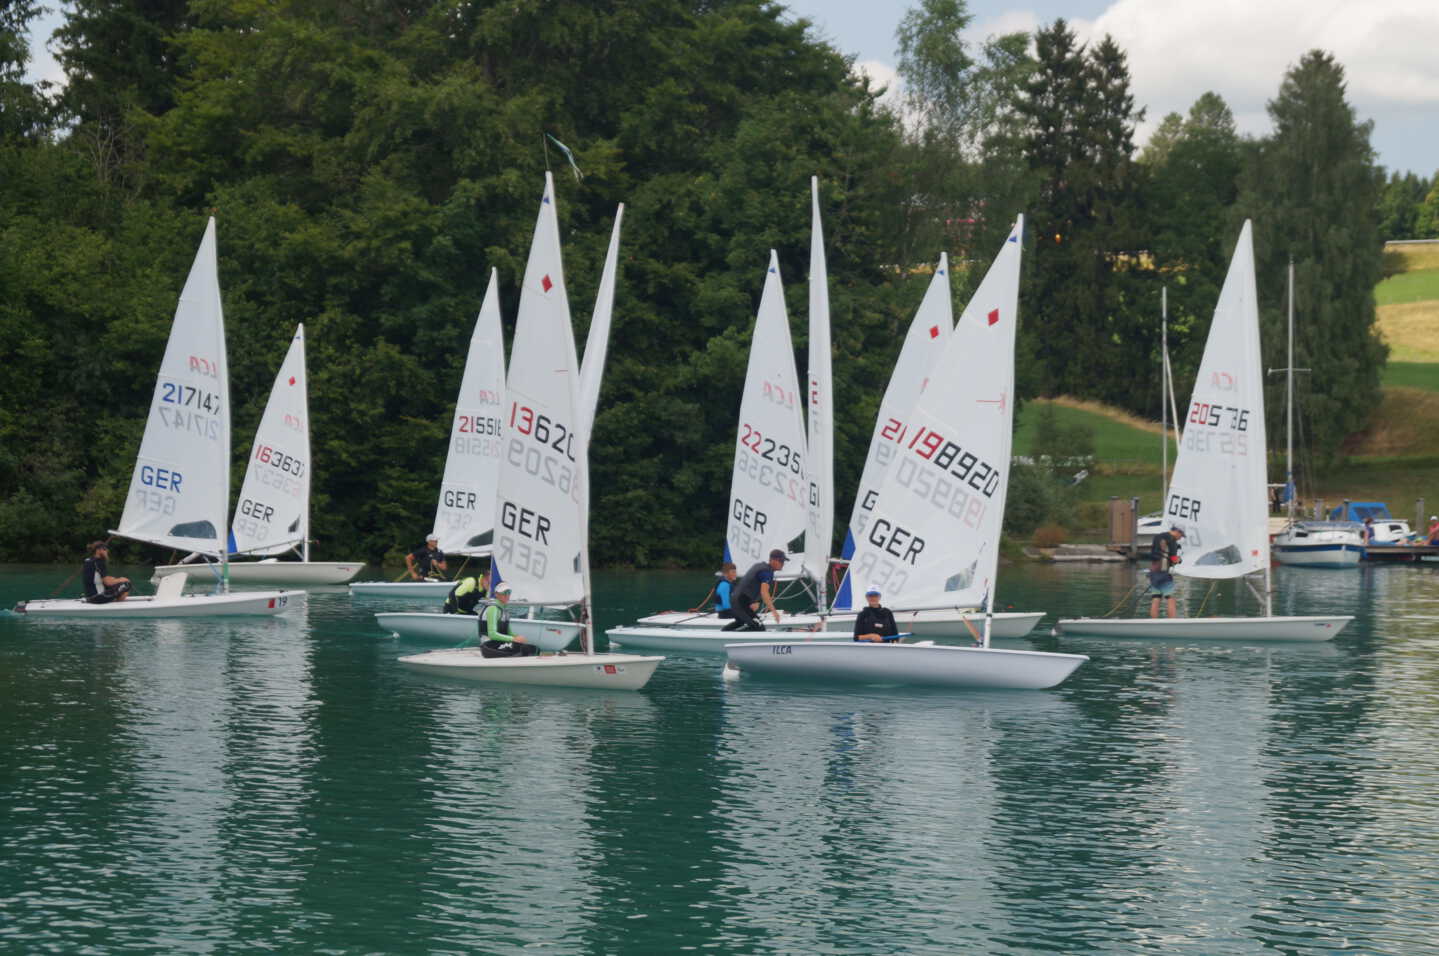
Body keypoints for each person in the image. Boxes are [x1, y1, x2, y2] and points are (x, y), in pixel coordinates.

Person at [721, 549, 787, 632]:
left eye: (783, 561)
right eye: (781, 561)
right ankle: (727, 638)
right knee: (759, 628)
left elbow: (752, 585)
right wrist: (774, 612)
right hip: (740, 602)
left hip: (738, 600)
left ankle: (724, 633)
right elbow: (764, 593)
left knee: (741, 622)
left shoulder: (760, 566)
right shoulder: (766, 572)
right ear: (773, 560)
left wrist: (756, 601)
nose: (783, 564)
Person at [475, 584, 538, 658]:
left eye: (509, 593)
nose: (507, 595)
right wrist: (513, 639)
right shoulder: (493, 608)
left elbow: (509, 633)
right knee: (523, 649)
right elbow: (492, 634)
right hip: (488, 645)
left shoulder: (504, 610)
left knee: (532, 648)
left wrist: (517, 637)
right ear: (497, 594)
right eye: (504, 593)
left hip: (499, 643)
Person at [1148, 526, 1184, 619]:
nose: (1180, 538)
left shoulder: (1157, 537)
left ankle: (1153, 623)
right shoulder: (1172, 540)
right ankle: (1172, 623)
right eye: (1181, 535)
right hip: (1163, 573)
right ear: (1177, 532)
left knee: (1156, 598)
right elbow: (1174, 559)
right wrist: (1180, 560)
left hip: (1153, 572)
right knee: (1171, 599)